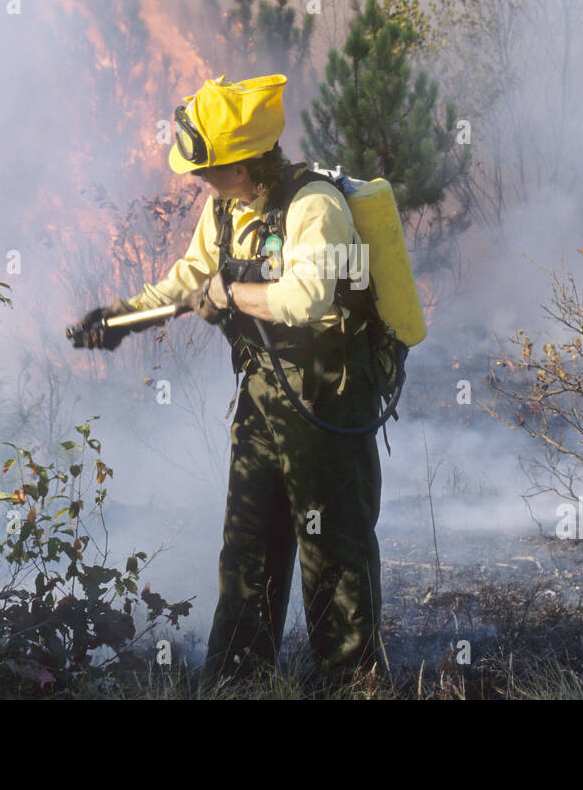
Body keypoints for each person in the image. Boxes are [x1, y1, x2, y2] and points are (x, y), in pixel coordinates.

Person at [72, 74, 386, 692]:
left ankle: (353, 682)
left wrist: (232, 294)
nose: (196, 179)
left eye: (204, 169)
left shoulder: (313, 207)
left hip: (329, 395)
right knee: (247, 542)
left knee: (334, 551)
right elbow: (187, 279)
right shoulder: (227, 209)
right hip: (264, 397)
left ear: (241, 166)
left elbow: (306, 296)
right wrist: (121, 318)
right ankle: (238, 681)